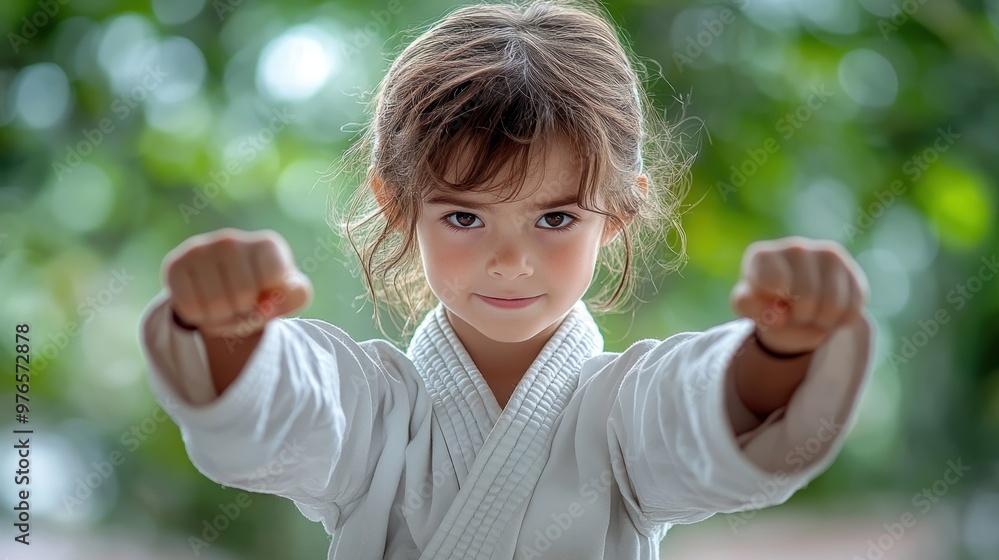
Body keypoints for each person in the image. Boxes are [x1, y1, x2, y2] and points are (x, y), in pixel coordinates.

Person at [138, 0, 874, 558]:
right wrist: (230, 332)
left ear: (617, 214)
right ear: (399, 209)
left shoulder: (621, 418)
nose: (511, 260)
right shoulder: (376, 412)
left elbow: (693, 412)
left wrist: (778, 353)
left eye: (554, 220)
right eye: (465, 218)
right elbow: (296, 403)